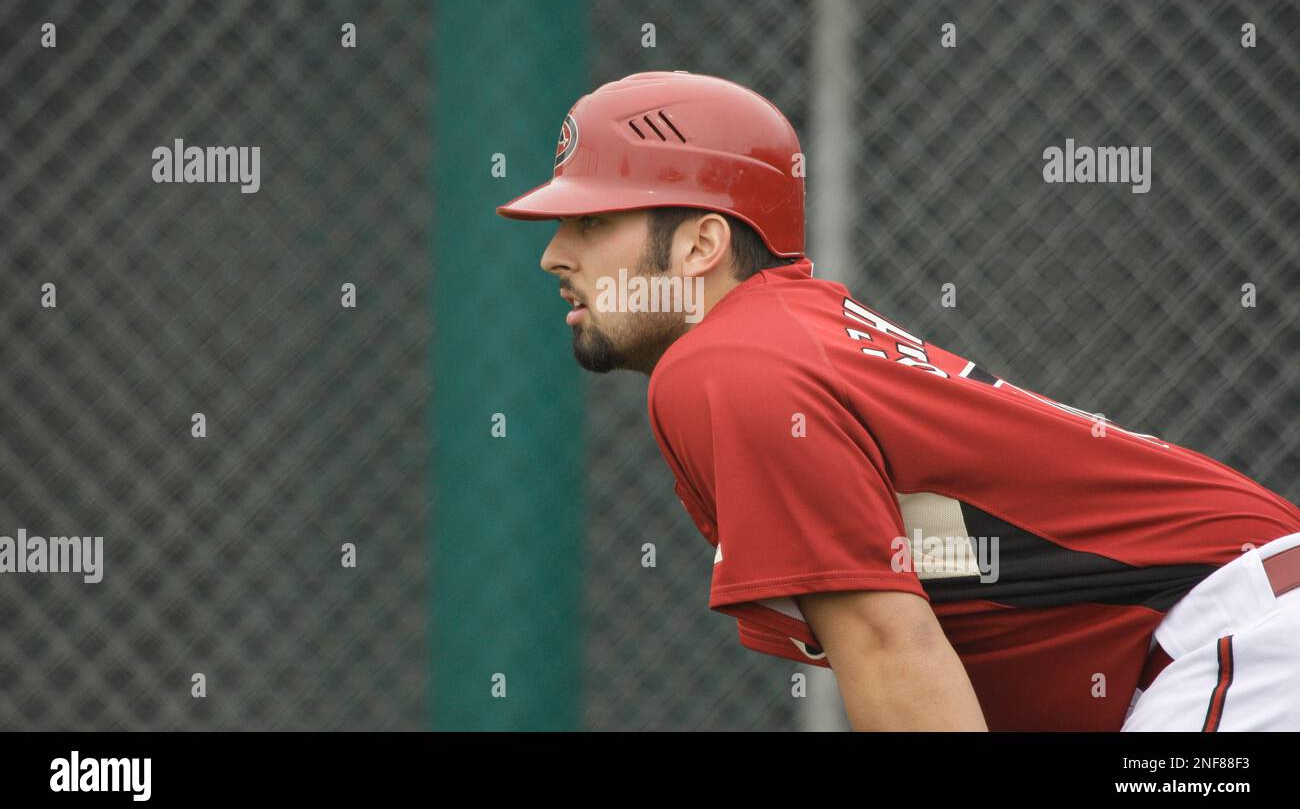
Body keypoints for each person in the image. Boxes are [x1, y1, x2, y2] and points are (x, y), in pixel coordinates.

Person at [497, 70, 1300, 731]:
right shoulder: (774, 338)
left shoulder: (728, 363)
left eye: (592, 220)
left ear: (702, 245)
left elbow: (893, 649)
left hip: (1237, 641)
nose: (553, 255)